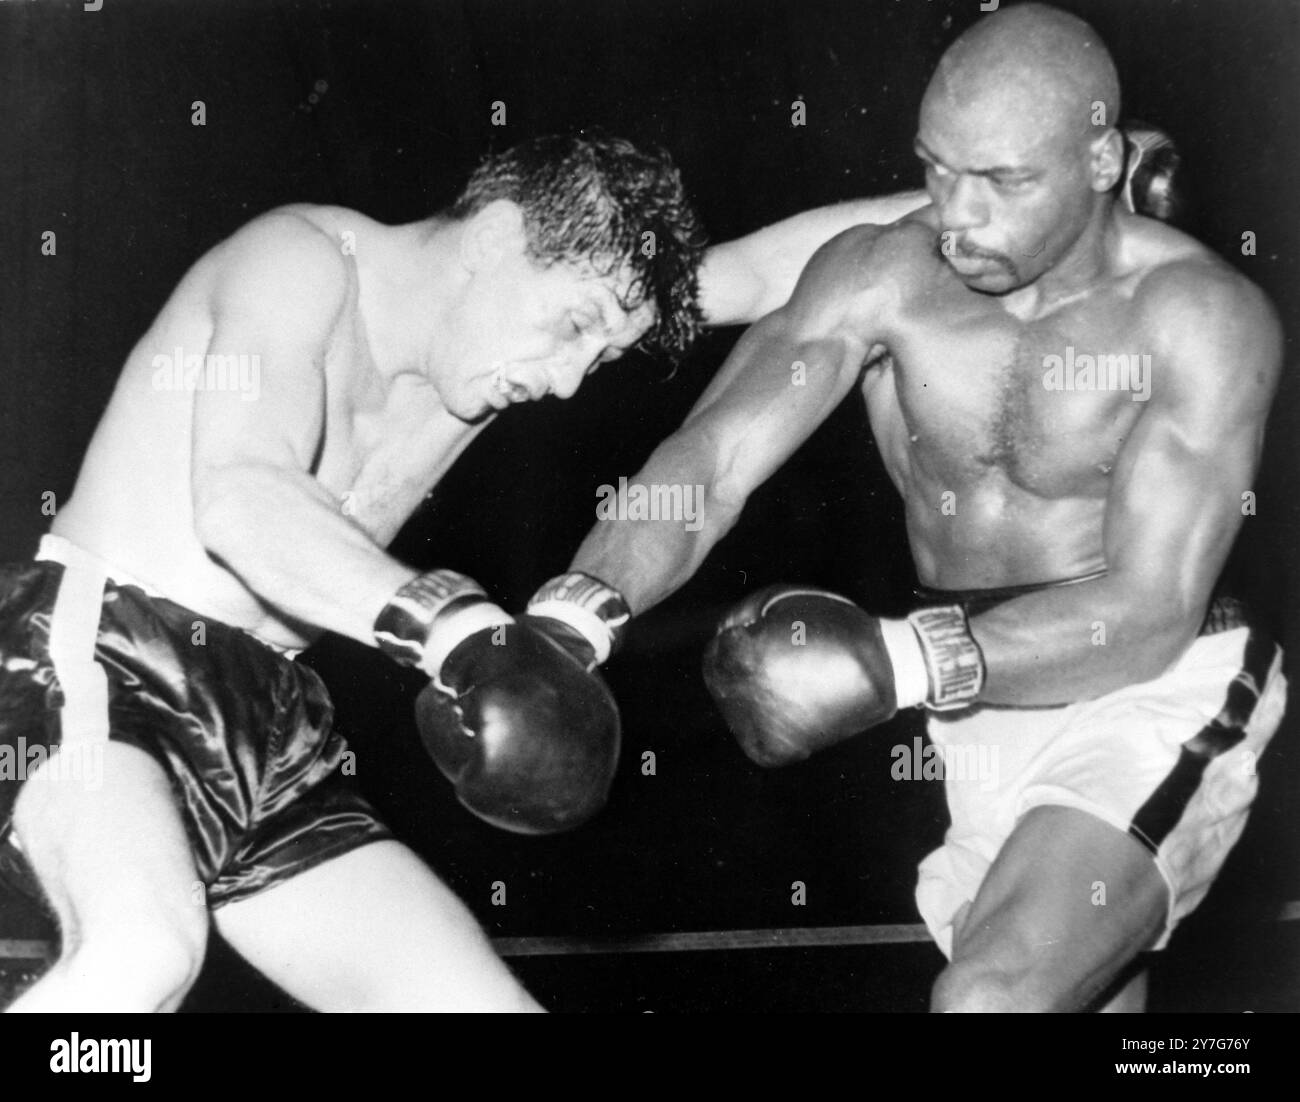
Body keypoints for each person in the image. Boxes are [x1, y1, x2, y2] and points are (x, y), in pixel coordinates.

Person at [559, 3, 1286, 1012]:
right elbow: (711, 461)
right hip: (972, 704)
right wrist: (576, 613)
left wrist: (900, 660)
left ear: (1102, 160)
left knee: (985, 998)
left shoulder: (1197, 317)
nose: (957, 216)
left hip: (1151, 687)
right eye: (936, 169)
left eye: (1003, 181)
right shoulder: (880, 272)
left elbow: (1149, 608)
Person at [0, 132, 717, 1012]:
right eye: (575, 328)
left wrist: (936, 197)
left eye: (601, 359)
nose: (570, 381)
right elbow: (240, 500)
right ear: (494, 238)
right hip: (104, 660)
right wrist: (452, 630)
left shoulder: (483, 364)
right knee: (139, 949)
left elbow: (782, 273)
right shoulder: (301, 264)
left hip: (271, 726)